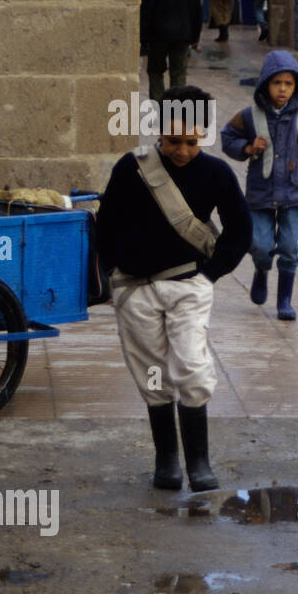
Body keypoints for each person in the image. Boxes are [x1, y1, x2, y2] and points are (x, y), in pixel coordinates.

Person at [95, 86, 252, 492]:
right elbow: (106, 223)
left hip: (189, 286)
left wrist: (210, 274)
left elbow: (240, 228)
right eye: (173, 141)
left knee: (192, 366)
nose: (182, 151)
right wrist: (112, 272)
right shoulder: (130, 168)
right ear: (158, 132)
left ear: (204, 135)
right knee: (151, 373)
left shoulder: (217, 173)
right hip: (135, 290)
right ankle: (166, 459)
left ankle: (198, 461)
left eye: (192, 142)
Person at [220, 50, 298, 321]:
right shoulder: (249, 116)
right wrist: (248, 147)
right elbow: (228, 137)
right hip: (261, 192)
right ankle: (261, 269)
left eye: (288, 84)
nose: (282, 89)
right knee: (259, 243)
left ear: (296, 86)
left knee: (291, 246)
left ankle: (284, 300)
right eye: (276, 83)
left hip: (294, 191)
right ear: (265, 85)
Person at [140, 0, 203, 101]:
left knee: (155, 71)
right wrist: (195, 37)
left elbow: (146, 12)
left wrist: (144, 39)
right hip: (182, 36)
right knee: (179, 73)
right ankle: (176, 109)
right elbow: (197, 12)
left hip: (157, 36)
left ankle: (158, 106)